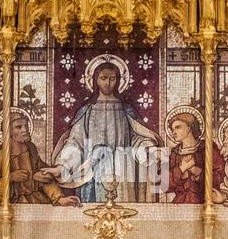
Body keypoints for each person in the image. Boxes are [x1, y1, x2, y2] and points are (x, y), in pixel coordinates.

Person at [53, 57, 160, 203]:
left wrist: (149, 148)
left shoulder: (125, 109)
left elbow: (138, 137)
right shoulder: (87, 110)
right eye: (103, 78)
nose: (107, 83)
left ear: (118, 81)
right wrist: (62, 165)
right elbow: (75, 142)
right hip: (93, 169)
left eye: (112, 78)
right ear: (95, 80)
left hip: (122, 167)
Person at [0, 111, 80, 208]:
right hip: (12, 206)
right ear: (8, 131)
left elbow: (44, 176)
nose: (25, 130)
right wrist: (10, 178)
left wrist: (59, 198)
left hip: (36, 202)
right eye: (18, 127)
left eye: (26, 126)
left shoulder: (31, 150)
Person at [165, 107, 205, 204]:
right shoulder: (175, 153)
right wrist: (182, 168)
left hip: (203, 201)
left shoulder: (206, 148)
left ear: (189, 127)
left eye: (178, 127)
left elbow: (220, 177)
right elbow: (165, 184)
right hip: (180, 201)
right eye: (172, 129)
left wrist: (199, 173)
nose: (173, 132)